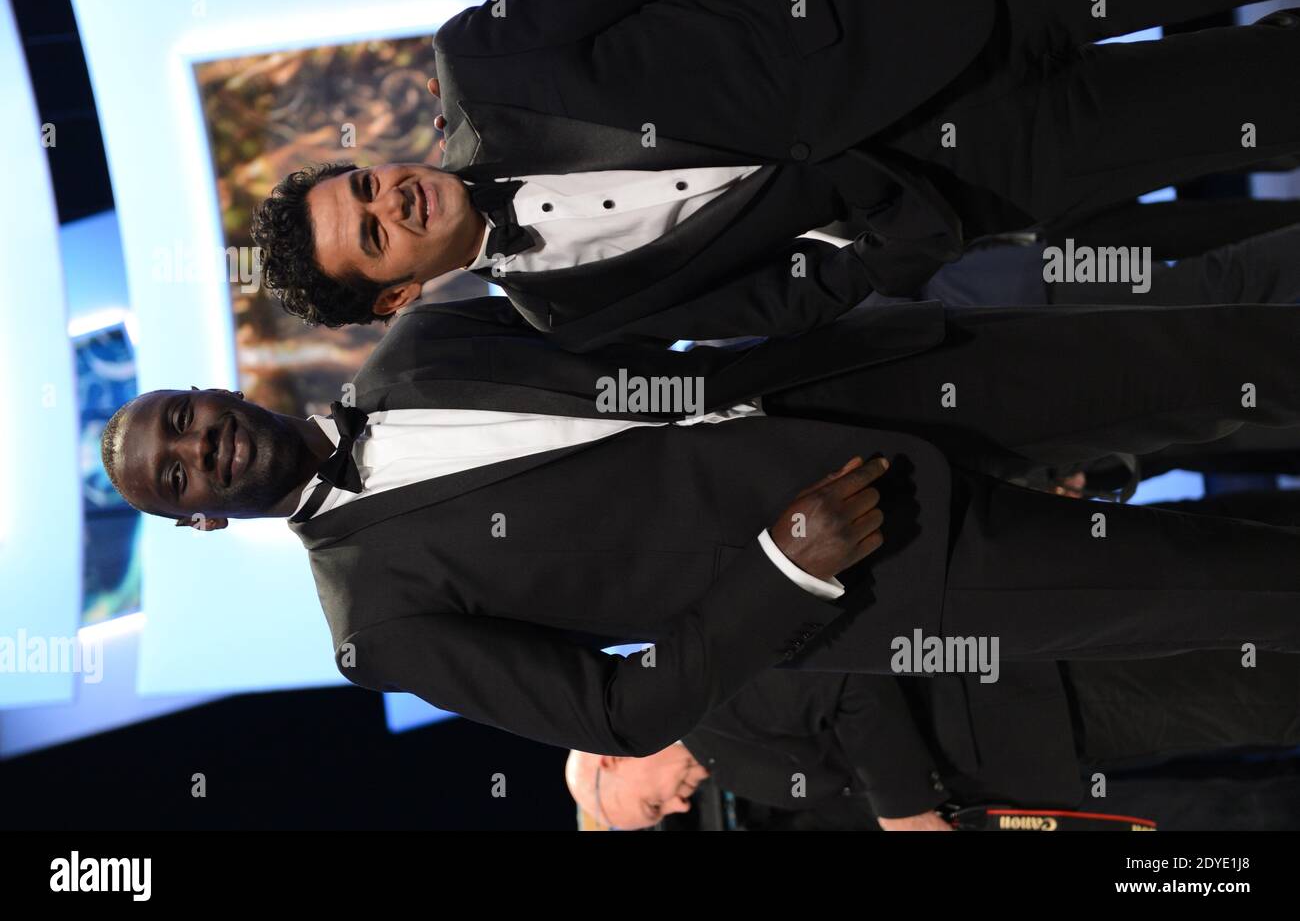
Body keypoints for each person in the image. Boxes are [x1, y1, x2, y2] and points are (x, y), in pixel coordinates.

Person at [100, 298, 1300, 754]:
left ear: (211, 389)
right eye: (177, 471)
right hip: (885, 566)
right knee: (1234, 582)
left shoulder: (419, 345)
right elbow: (616, 714)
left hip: (877, 378)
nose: (201, 445)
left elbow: (648, 310)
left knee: (1222, 353)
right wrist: (787, 566)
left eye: (182, 419)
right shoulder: (376, 622)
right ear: (198, 517)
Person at [251, 0, 1300, 347]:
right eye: (373, 235)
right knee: (1268, 100)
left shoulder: (482, 63)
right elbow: (783, 303)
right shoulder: (569, 318)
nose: (393, 197)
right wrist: (904, 241)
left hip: (947, 0)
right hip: (983, 175)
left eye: (363, 185)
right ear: (396, 299)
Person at [565, 650, 1300, 831]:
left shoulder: (702, 698)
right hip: (1035, 744)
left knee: (1256, 694)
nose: (676, 811)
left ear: (611, 759)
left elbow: (849, 681)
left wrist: (904, 811)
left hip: (1030, 693)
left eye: (651, 808)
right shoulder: (733, 767)